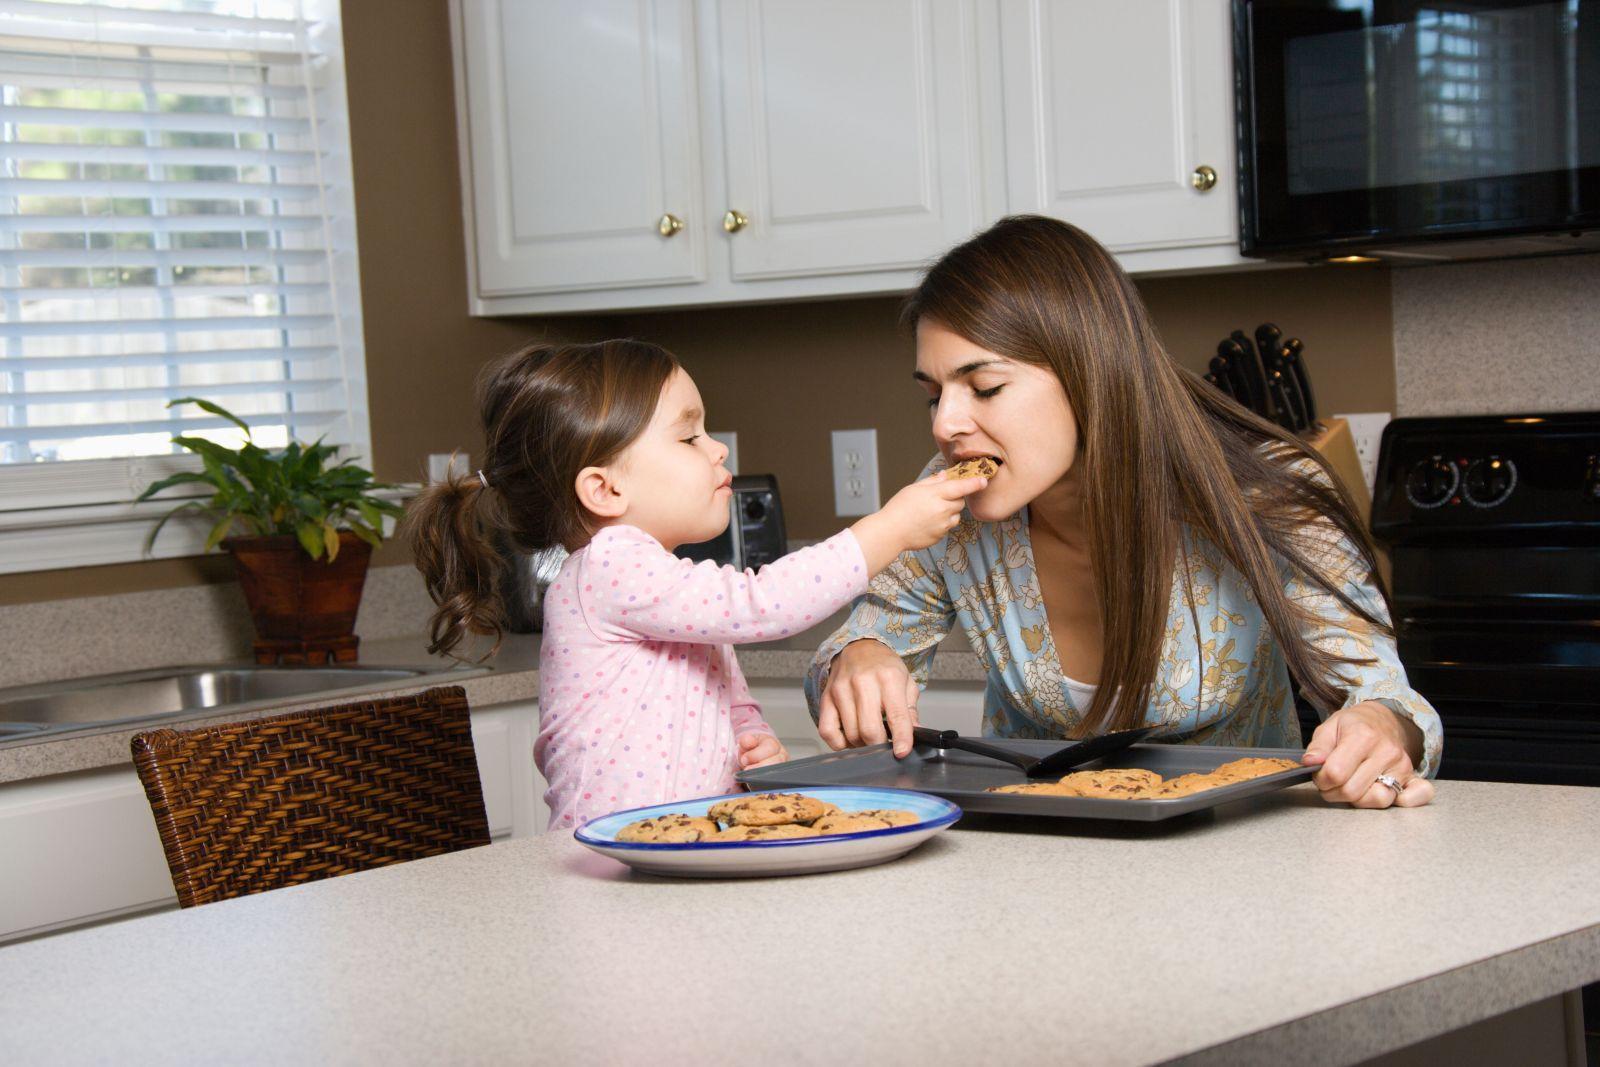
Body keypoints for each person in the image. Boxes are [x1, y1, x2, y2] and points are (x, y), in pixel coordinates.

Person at [804, 215, 1442, 809]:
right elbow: (856, 646)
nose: (946, 424)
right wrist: (857, 659)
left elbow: (1386, 698)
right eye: (933, 396)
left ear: (1091, 372)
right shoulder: (950, 507)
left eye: (986, 387)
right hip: (1034, 861)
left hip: (1241, 865)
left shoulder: (1265, 495)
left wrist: (1381, 729)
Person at [404, 339, 988, 829]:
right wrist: (888, 530)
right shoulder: (609, 567)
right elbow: (763, 605)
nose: (718, 448)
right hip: (612, 858)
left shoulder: (667, 585)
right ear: (604, 490)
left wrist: (751, 738)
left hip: (680, 847)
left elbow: (719, 689)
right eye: (689, 439)